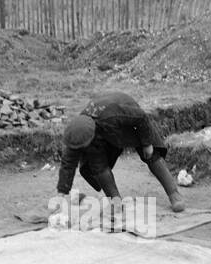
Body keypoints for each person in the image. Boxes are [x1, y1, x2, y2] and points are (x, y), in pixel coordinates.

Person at [54, 91, 185, 214]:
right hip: (102, 131)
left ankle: (173, 194)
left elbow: (142, 118)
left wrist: (147, 144)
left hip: (128, 121)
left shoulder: (112, 115)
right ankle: (115, 201)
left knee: (151, 155)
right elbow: (68, 164)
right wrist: (61, 193)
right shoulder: (76, 134)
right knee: (98, 166)